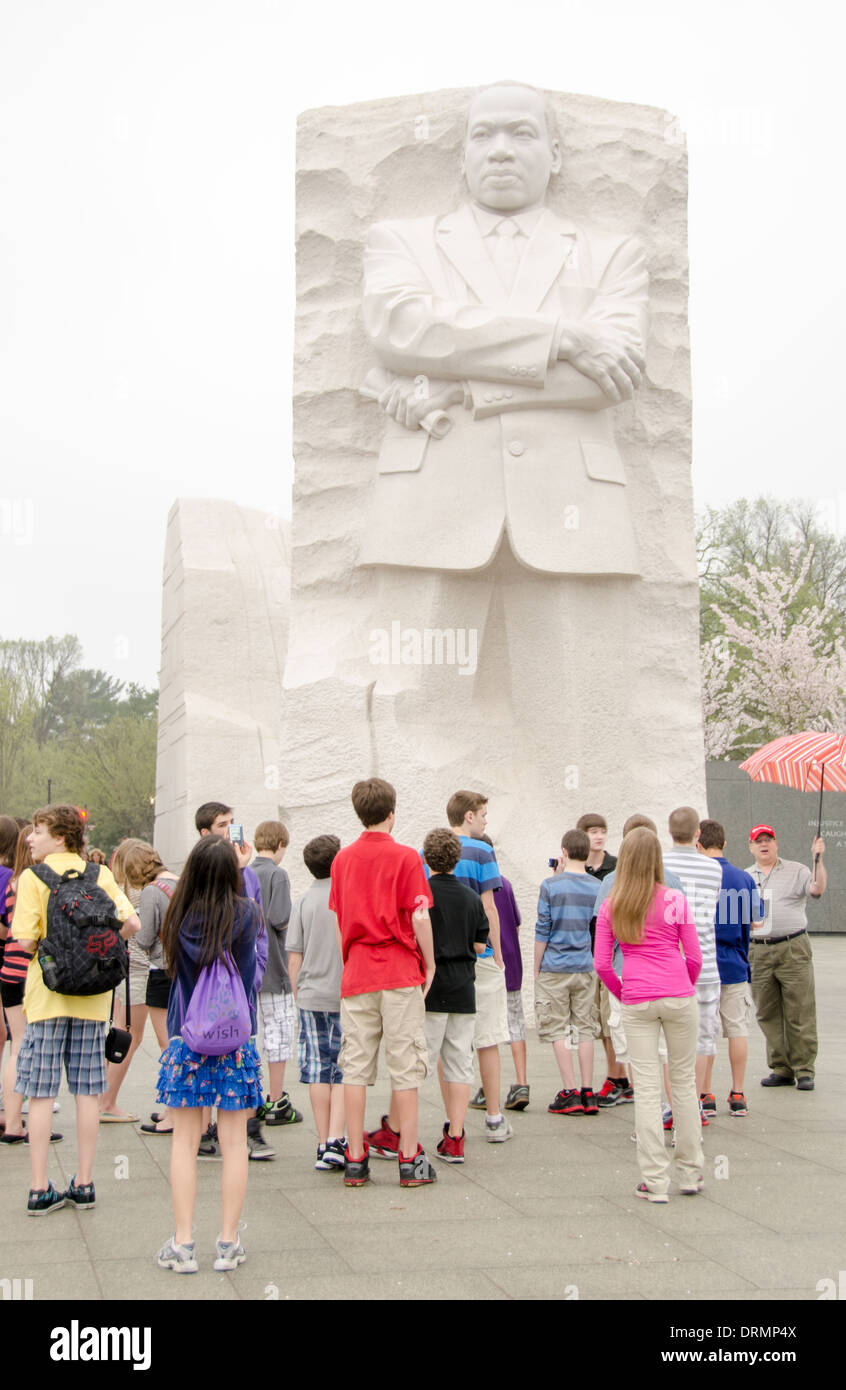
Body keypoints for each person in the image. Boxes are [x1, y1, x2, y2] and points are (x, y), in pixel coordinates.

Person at [11, 805, 140, 1214]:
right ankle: (84, 1183)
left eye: (39, 831)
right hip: (93, 999)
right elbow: (131, 924)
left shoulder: (32, 878)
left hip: (47, 998)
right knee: (87, 1091)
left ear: (61, 837)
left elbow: (25, 939)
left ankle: (38, 1187)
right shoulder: (99, 875)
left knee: (40, 1093)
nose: (30, 838)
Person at [155, 835, 264, 1272]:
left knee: (184, 1142)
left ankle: (183, 1245)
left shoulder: (179, 918)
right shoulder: (246, 914)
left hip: (188, 1038)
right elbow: (250, 975)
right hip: (235, 1041)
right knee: (234, 1143)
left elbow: (175, 974)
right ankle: (227, 1243)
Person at [329, 778, 436, 1188]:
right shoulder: (408, 858)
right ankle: (408, 1157)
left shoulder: (342, 861)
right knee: (405, 1066)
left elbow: (340, 917)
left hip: (358, 971)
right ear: (392, 813)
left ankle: (355, 1157)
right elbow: (419, 916)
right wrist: (429, 962)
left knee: (354, 1068)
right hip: (397, 969)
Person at [594, 827, 703, 1202]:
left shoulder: (613, 904)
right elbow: (694, 957)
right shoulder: (675, 899)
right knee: (685, 1084)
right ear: (657, 859)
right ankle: (690, 1172)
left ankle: (655, 1181)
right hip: (678, 995)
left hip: (637, 997)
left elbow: (602, 964)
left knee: (647, 1089)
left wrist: (624, 992)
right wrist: (681, 986)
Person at [194, 801, 272, 1159]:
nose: (230, 830)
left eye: (232, 823)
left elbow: (254, 927)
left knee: (243, 1057)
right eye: (222, 824)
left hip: (240, 985)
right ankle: (205, 1128)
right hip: (205, 987)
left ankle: (248, 1128)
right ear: (205, 833)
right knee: (200, 1054)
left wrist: (255, 971)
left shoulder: (249, 875)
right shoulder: (200, 873)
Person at [446, 791, 513, 1142]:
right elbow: (490, 908)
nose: (486, 820)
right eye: (484, 814)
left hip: (445, 959)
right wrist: (497, 952)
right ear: (469, 816)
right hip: (479, 955)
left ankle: (452, 1122)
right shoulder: (483, 852)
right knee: (487, 1038)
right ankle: (494, 1118)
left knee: (451, 1040)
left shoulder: (428, 851)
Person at [421, 828, 490, 1163]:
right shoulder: (472, 898)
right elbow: (480, 944)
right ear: (457, 859)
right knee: (460, 1063)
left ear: (426, 858)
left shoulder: (421, 896)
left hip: (430, 989)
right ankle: (456, 1135)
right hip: (464, 988)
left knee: (419, 1061)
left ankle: (403, 1132)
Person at [746, 824, 826, 1091]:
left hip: (793, 947)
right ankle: (781, 1067)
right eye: (759, 841)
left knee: (800, 1010)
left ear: (776, 844)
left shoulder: (798, 870)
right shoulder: (746, 876)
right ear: (751, 847)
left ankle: (804, 1069)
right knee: (767, 1011)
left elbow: (816, 889)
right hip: (758, 950)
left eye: (768, 839)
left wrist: (818, 859)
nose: (764, 844)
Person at [287, 834, 345, 1171]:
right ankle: (339, 1139)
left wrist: (298, 993)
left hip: (310, 996)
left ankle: (323, 1141)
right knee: (343, 1068)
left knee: (317, 1069)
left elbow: (295, 956)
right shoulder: (346, 898)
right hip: (344, 994)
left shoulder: (304, 901)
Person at [697, 819, 763, 1116]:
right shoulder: (743, 878)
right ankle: (738, 1094)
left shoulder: (697, 877)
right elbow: (756, 921)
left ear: (699, 844)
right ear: (724, 843)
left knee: (705, 1033)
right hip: (735, 963)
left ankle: (705, 1094)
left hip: (704, 966)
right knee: (737, 1030)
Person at [663, 808, 724, 1122]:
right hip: (706, 963)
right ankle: (695, 1104)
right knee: (702, 1038)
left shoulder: (660, 866)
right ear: (698, 835)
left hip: (670, 964)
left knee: (669, 1041)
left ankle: (675, 1106)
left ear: (669, 832)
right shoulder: (714, 869)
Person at [535, 829, 600, 1115]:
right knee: (585, 1027)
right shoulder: (597, 887)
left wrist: (536, 966)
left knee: (557, 1027)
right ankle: (588, 1091)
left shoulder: (551, 886)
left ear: (564, 851)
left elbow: (542, 929)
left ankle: (570, 1090)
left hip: (556, 965)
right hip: (585, 964)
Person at [119, 842, 180, 1136]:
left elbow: (142, 939)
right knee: (180, 1041)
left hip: (162, 971)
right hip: (185, 971)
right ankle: (178, 1109)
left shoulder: (152, 891)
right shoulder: (180, 881)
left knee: (168, 1045)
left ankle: (173, 1113)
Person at [251, 821, 303, 1127]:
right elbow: (280, 918)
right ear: (281, 844)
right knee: (278, 1033)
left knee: (252, 1033)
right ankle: (276, 1098)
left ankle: (252, 1097)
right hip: (273, 965)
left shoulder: (243, 871)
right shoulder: (277, 874)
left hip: (247, 966)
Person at [98, 838, 154, 1123]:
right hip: (139, 971)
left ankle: (103, 1098)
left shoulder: (117, 889)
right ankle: (107, 1102)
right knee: (130, 1036)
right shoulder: (141, 893)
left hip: (124, 970)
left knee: (121, 1032)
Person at [479, 832, 528, 1111]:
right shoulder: (506, 885)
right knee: (515, 1023)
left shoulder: (477, 886)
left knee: (488, 1029)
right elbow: (517, 924)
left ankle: (489, 1088)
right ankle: (521, 1081)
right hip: (512, 964)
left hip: (488, 962)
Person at [577, 813, 621, 1102]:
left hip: (610, 953)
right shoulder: (577, 868)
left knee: (610, 1019)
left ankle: (617, 1077)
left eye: (602, 831)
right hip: (585, 953)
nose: (599, 836)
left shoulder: (615, 867)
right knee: (595, 1020)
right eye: (593, 831)